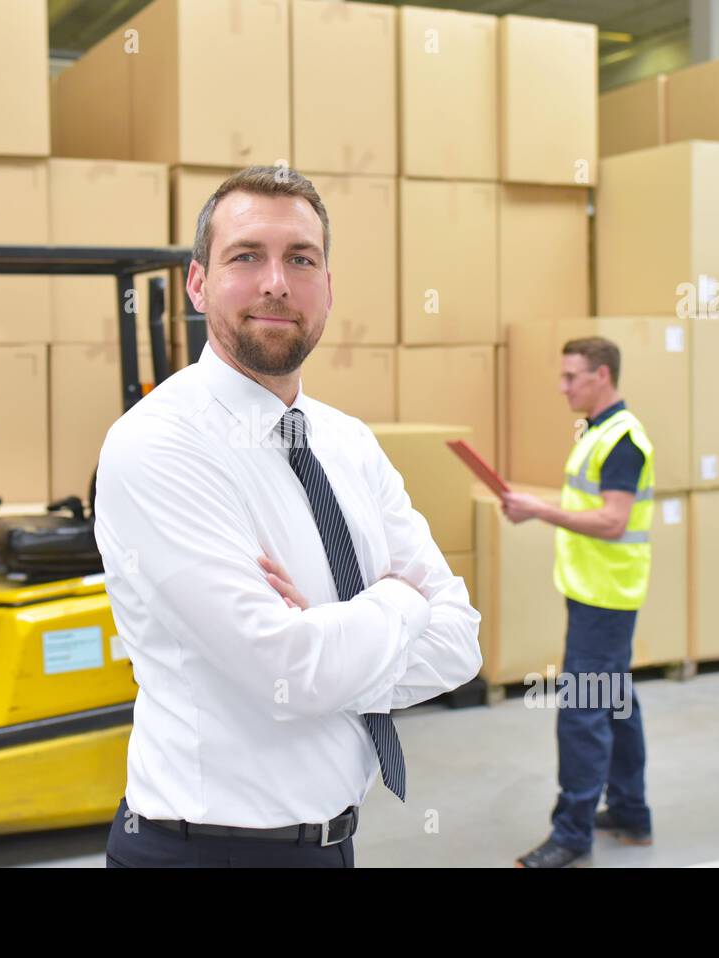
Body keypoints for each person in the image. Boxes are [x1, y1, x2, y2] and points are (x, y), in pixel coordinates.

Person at [94, 165, 482, 868]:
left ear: (327, 287)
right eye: (246, 256)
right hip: (201, 853)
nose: (277, 281)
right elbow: (288, 673)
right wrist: (396, 600)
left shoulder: (347, 442)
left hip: (334, 844)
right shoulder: (157, 445)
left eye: (301, 259)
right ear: (198, 282)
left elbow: (460, 641)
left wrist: (328, 641)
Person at [500, 337, 656, 868]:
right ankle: (632, 814)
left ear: (603, 376)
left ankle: (570, 835)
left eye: (572, 377)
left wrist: (538, 511)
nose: (563, 386)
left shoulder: (622, 441)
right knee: (616, 701)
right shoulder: (598, 433)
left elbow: (613, 522)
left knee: (582, 710)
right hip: (597, 591)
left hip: (605, 597)